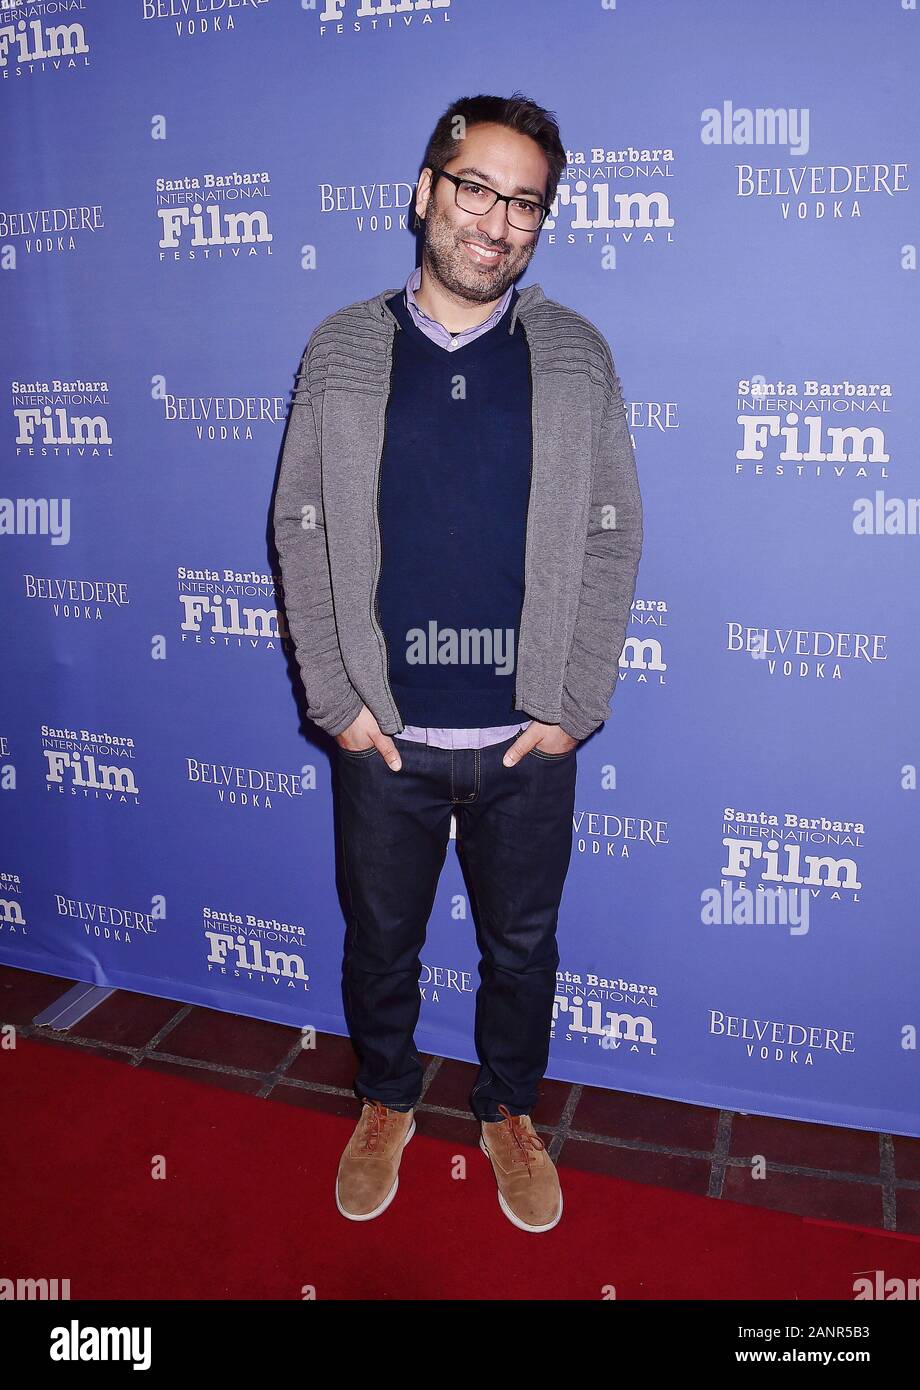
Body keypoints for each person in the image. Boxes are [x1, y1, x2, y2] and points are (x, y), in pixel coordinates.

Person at [273, 92, 643, 1234]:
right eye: (475, 188)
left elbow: (612, 527)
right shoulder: (340, 344)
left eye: (524, 201)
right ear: (424, 192)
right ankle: (385, 1100)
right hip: (385, 734)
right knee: (380, 941)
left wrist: (574, 704)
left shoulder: (574, 354)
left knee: (520, 946)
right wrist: (336, 703)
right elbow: (300, 522)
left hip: (524, 738)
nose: (496, 220)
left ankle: (507, 1110)